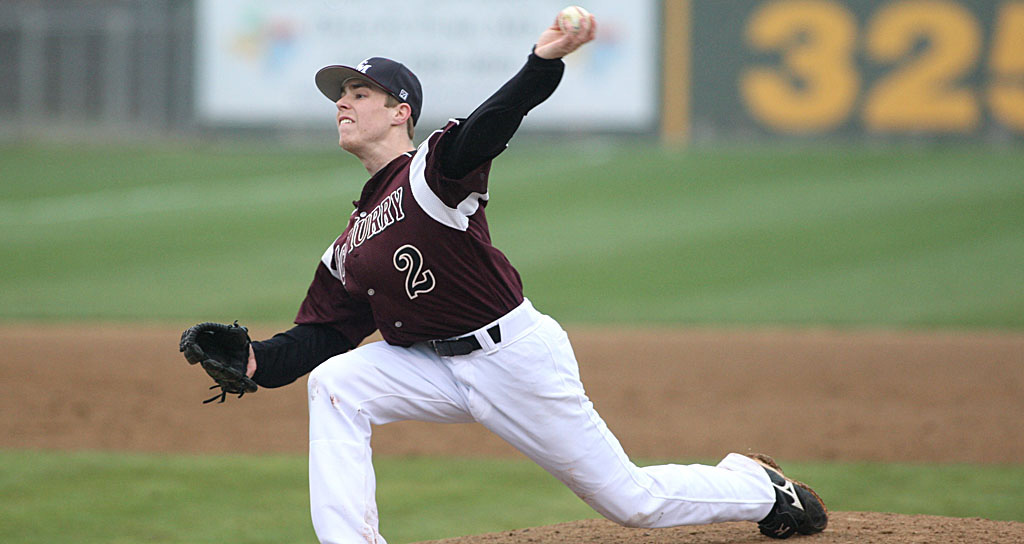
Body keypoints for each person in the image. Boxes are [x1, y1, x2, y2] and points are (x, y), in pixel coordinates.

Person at [239, 10, 826, 543]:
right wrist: (256, 362)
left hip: (512, 360)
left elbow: (493, 122)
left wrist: (542, 62)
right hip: (433, 369)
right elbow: (325, 333)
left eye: (359, 93)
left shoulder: (433, 172)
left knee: (633, 502)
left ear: (401, 112)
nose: (342, 104)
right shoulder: (351, 240)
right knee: (337, 383)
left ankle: (757, 487)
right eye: (340, 96)